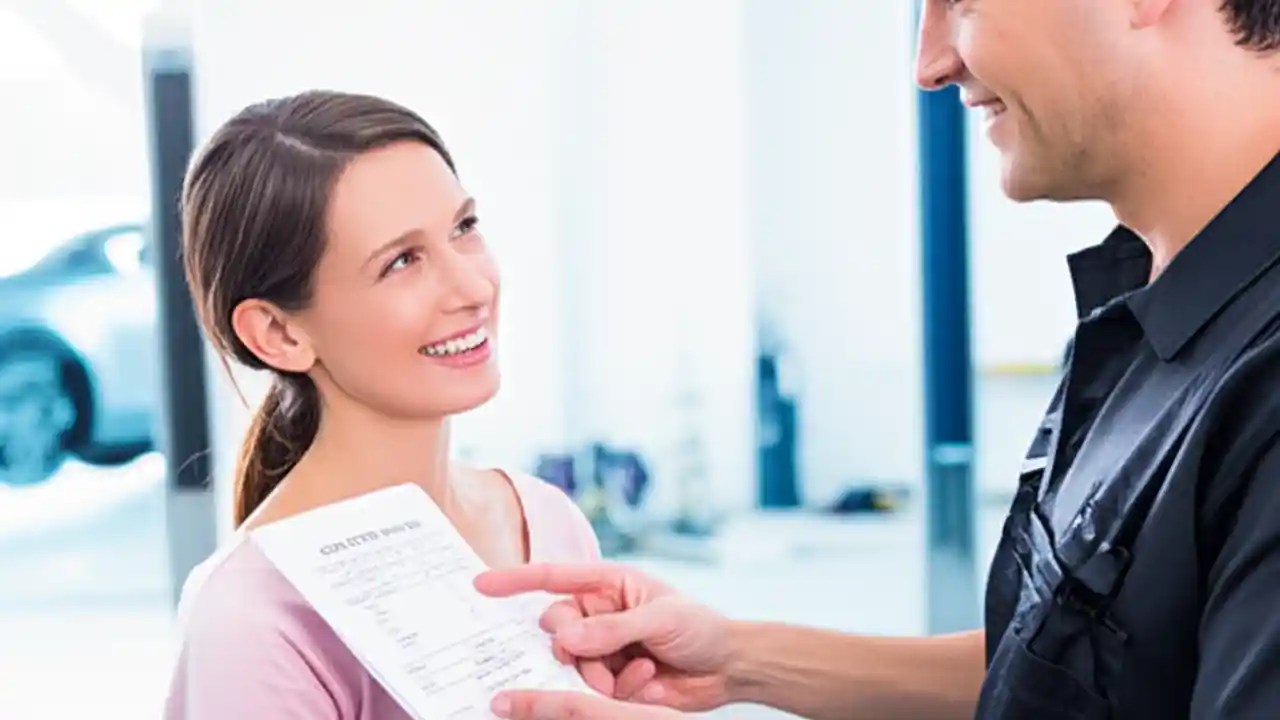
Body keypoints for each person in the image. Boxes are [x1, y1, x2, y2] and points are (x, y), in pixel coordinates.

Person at [474, 1, 1280, 718]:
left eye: (958, 3)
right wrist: (742, 660)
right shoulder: (1151, 315)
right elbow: (1082, 669)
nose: (931, 64)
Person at [162, 90, 601, 719]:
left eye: (464, 228)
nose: (474, 287)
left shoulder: (546, 520)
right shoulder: (253, 619)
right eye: (402, 261)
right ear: (279, 334)